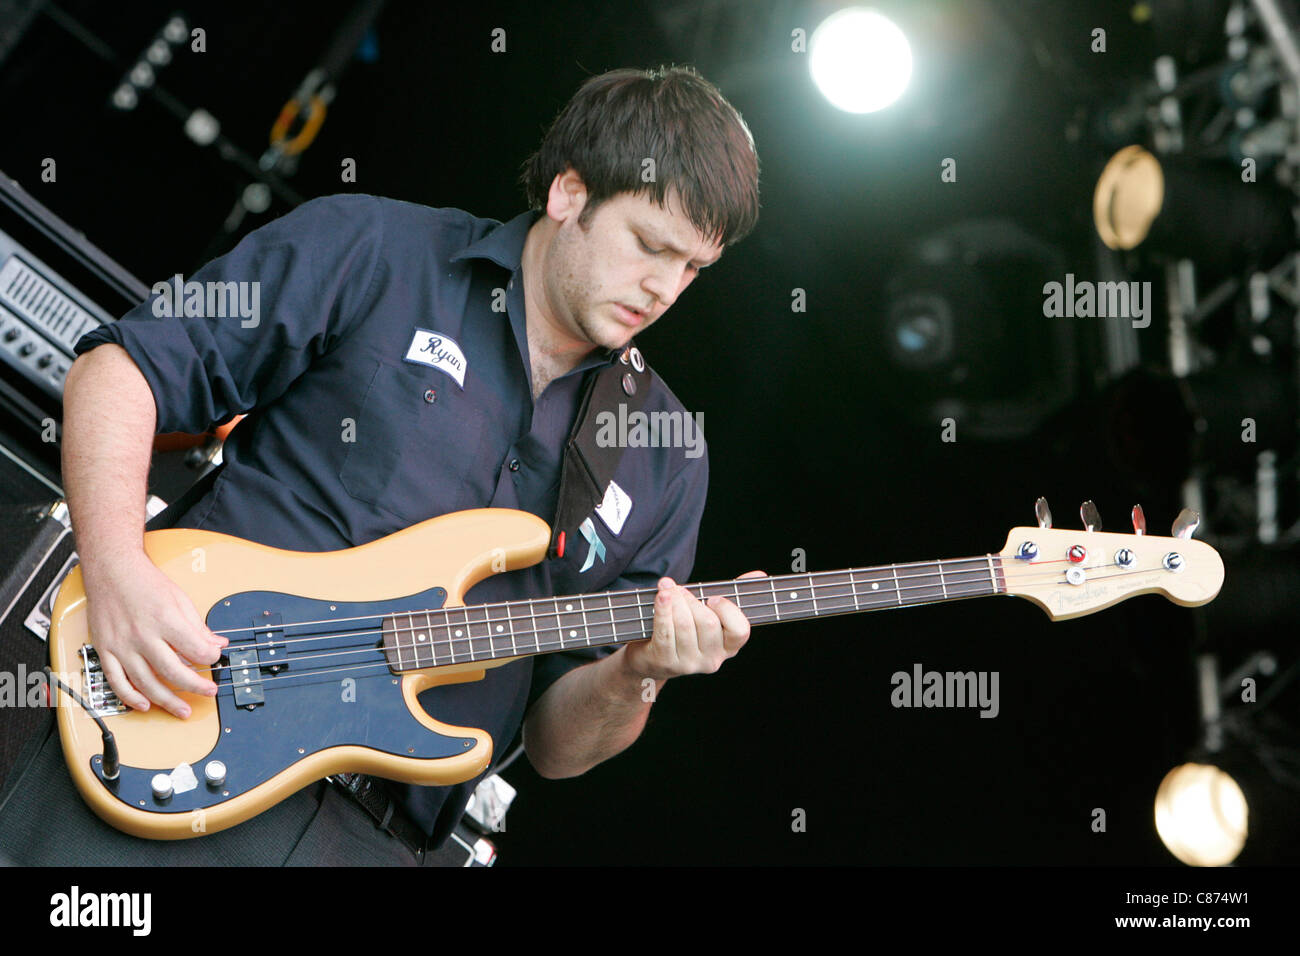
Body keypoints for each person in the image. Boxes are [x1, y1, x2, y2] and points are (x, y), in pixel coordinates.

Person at [0, 65, 762, 865]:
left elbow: (555, 745)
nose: (664, 288)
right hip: (173, 728)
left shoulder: (667, 453)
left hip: (365, 840)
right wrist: (116, 568)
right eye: (650, 246)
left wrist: (642, 673)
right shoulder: (375, 248)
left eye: (693, 270)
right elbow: (124, 371)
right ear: (570, 193)